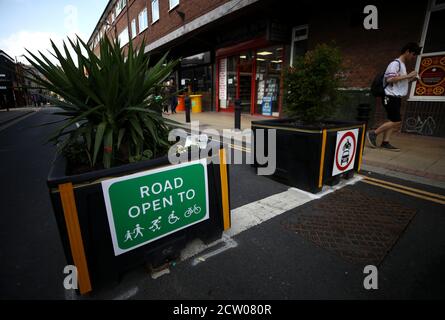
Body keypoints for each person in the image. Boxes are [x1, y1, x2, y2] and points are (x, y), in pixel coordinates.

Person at [367, 42, 421, 151]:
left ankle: (385, 142)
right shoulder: (395, 64)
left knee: (392, 119)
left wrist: (411, 79)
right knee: (396, 120)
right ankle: (373, 133)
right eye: (413, 54)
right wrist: (408, 75)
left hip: (396, 96)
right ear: (407, 51)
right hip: (390, 96)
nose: (413, 57)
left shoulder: (402, 65)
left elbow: (399, 82)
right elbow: (390, 79)